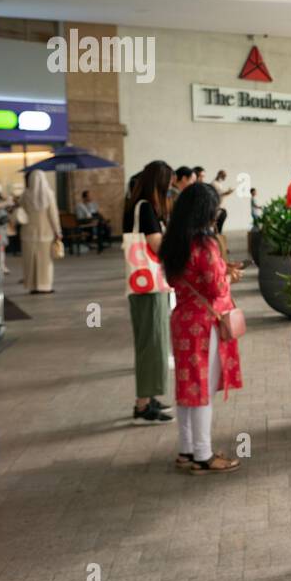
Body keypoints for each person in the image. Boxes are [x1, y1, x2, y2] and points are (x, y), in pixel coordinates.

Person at [160, 182, 243, 474]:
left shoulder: (174, 242)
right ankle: (203, 455)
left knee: (187, 388)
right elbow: (216, 287)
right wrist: (230, 276)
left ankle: (186, 450)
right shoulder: (205, 245)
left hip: (182, 319)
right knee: (202, 391)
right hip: (203, 327)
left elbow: (177, 280)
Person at [124, 162, 175, 426]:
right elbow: (157, 244)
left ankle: (149, 396)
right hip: (147, 286)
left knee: (154, 342)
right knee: (150, 344)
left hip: (148, 285)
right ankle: (142, 404)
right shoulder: (144, 208)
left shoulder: (138, 206)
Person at [19, 169, 62, 294]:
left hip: (28, 233)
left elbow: (21, 210)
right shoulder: (49, 194)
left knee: (30, 261)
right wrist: (57, 231)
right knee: (45, 261)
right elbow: (53, 215)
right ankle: (45, 286)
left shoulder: (26, 194)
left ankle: (32, 286)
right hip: (46, 233)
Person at [211, 169, 234, 234]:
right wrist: (228, 192)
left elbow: (221, 194)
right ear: (219, 175)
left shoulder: (219, 183)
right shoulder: (214, 183)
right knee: (217, 228)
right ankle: (217, 240)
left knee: (218, 228)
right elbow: (218, 194)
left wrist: (228, 192)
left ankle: (218, 239)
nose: (225, 177)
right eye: (224, 176)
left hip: (221, 207)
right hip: (218, 208)